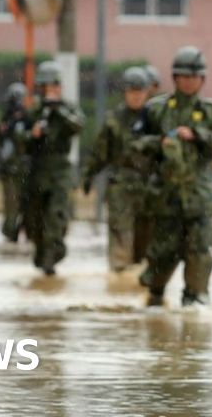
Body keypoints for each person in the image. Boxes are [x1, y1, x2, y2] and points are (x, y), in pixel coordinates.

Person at [135, 46, 212, 307]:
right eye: (183, 76)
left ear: (202, 80)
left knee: (199, 251)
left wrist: (198, 134)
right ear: (175, 78)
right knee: (162, 253)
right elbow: (136, 143)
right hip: (165, 196)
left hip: (199, 197)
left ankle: (195, 298)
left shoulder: (211, 111)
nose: (189, 82)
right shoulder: (156, 109)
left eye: (194, 77)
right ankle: (155, 293)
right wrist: (161, 143)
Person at [81, 67, 152, 272]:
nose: (136, 96)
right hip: (121, 186)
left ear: (147, 92)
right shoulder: (114, 120)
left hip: (149, 187)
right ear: (125, 92)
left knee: (146, 237)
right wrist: (88, 176)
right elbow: (99, 153)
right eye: (132, 91)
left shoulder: (154, 118)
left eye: (140, 91)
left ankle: (141, 280)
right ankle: (120, 281)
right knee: (121, 234)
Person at [24, 61, 85, 276]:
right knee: (35, 220)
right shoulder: (34, 111)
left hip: (60, 170)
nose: (50, 91)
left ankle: (53, 255)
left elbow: (77, 126)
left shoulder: (68, 109)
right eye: (46, 87)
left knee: (56, 215)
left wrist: (57, 111)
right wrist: (32, 134)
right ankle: (43, 254)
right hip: (38, 170)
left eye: (53, 86)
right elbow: (20, 140)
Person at [132, 64, 164, 264]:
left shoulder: (161, 109)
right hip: (135, 179)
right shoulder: (127, 114)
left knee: (155, 225)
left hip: (157, 177)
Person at [0, 82, 31, 243]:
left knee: (28, 206)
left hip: (26, 169)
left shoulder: (28, 118)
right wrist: (2, 131)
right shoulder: (5, 119)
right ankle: (10, 233)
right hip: (9, 170)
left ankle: (28, 231)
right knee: (11, 207)